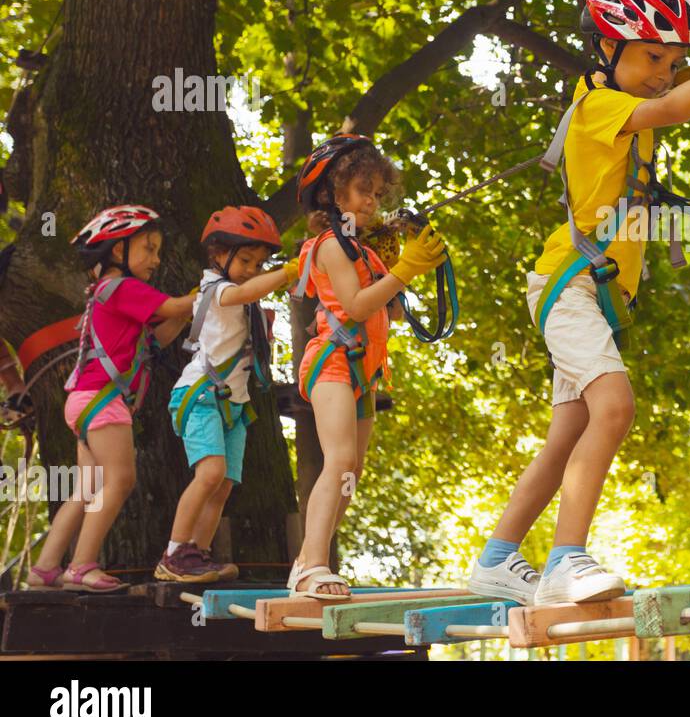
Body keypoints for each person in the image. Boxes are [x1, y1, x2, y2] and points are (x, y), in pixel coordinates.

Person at [469, 0, 690, 605]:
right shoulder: (599, 106)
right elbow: (675, 107)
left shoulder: (626, 113)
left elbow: (665, 114)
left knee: (568, 436)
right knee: (615, 408)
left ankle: (497, 558)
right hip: (570, 288)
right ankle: (567, 560)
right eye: (652, 56)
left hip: (594, 295)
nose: (663, 73)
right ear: (607, 49)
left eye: (673, 62)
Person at [289, 134, 448, 599]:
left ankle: (305, 560)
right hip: (333, 362)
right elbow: (357, 307)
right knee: (338, 459)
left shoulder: (365, 251)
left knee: (349, 474)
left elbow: (390, 311)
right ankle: (314, 564)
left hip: (364, 370)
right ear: (334, 195)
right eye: (364, 191)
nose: (373, 202)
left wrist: (403, 260)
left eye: (378, 194)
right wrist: (405, 272)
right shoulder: (330, 246)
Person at [27, 206, 196, 591]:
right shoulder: (121, 287)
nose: (156, 259)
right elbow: (170, 306)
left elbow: (160, 336)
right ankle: (82, 566)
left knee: (87, 487)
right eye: (149, 249)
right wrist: (205, 295)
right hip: (103, 400)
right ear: (117, 251)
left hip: (85, 399)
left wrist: (186, 311)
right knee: (120, 479)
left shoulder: (110, 294)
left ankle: (46, 567)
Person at [155, 205, 297, 583]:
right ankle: (173, 553)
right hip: (200, 393)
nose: (252, 269)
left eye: (259, 262)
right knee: (210, 473)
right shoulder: (214, 289)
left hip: (233, 402)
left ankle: (197, 554)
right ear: (218, 255)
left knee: (224, 484)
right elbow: (247, 290)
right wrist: (288, 271)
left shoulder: (242, 293)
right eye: (246, 259)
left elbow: (252, 289)